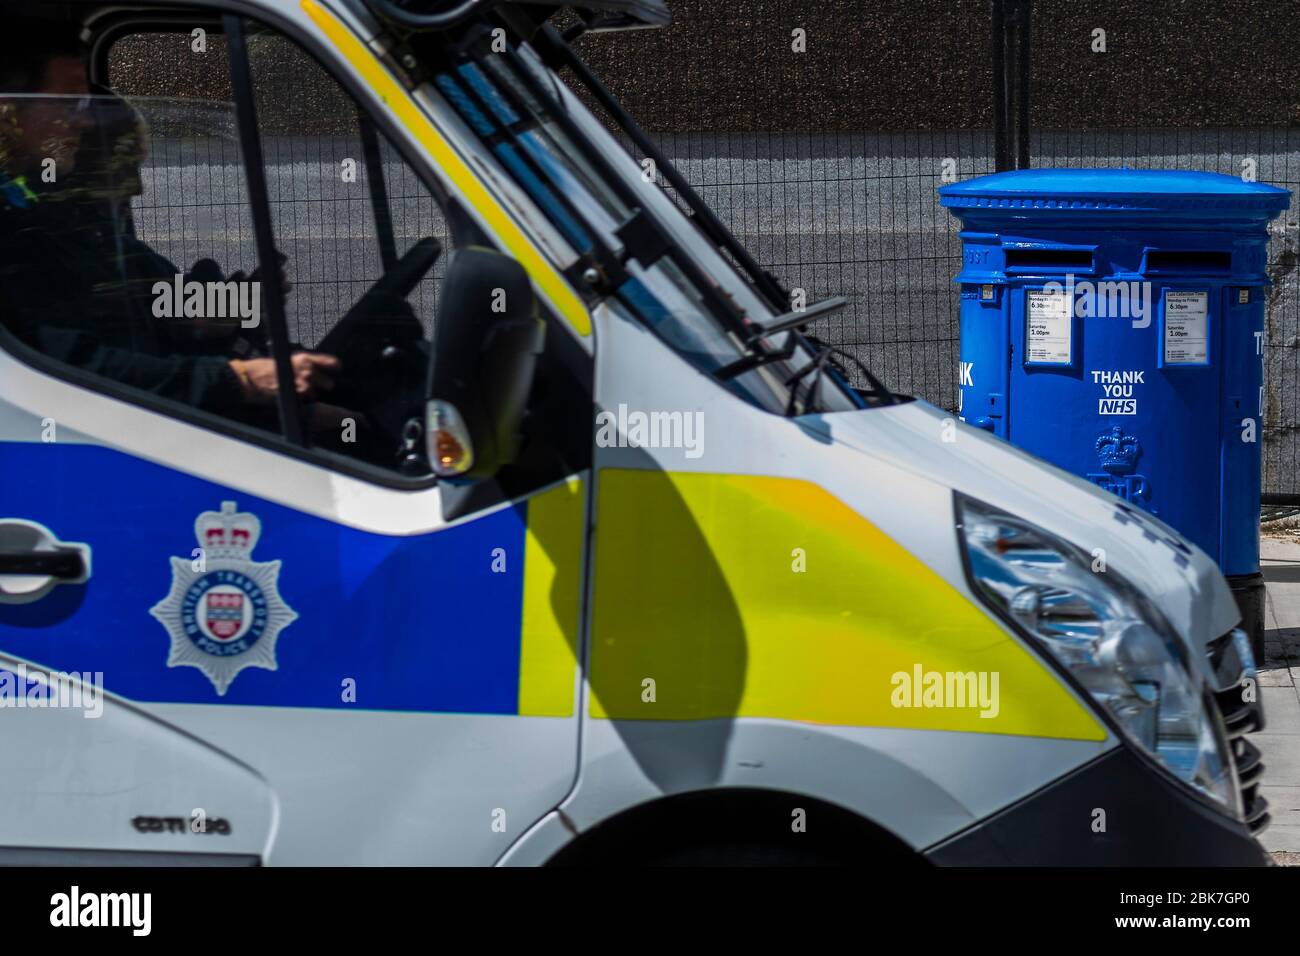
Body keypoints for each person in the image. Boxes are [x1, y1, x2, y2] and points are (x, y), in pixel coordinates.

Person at [0, 20, 341, 424]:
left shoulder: (63, 222)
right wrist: (241, 380)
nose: (83, 120)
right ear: (9, 111)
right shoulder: (21, 229)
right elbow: (71, 363)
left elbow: (151, 300)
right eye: (69, 102)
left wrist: (242, 303)